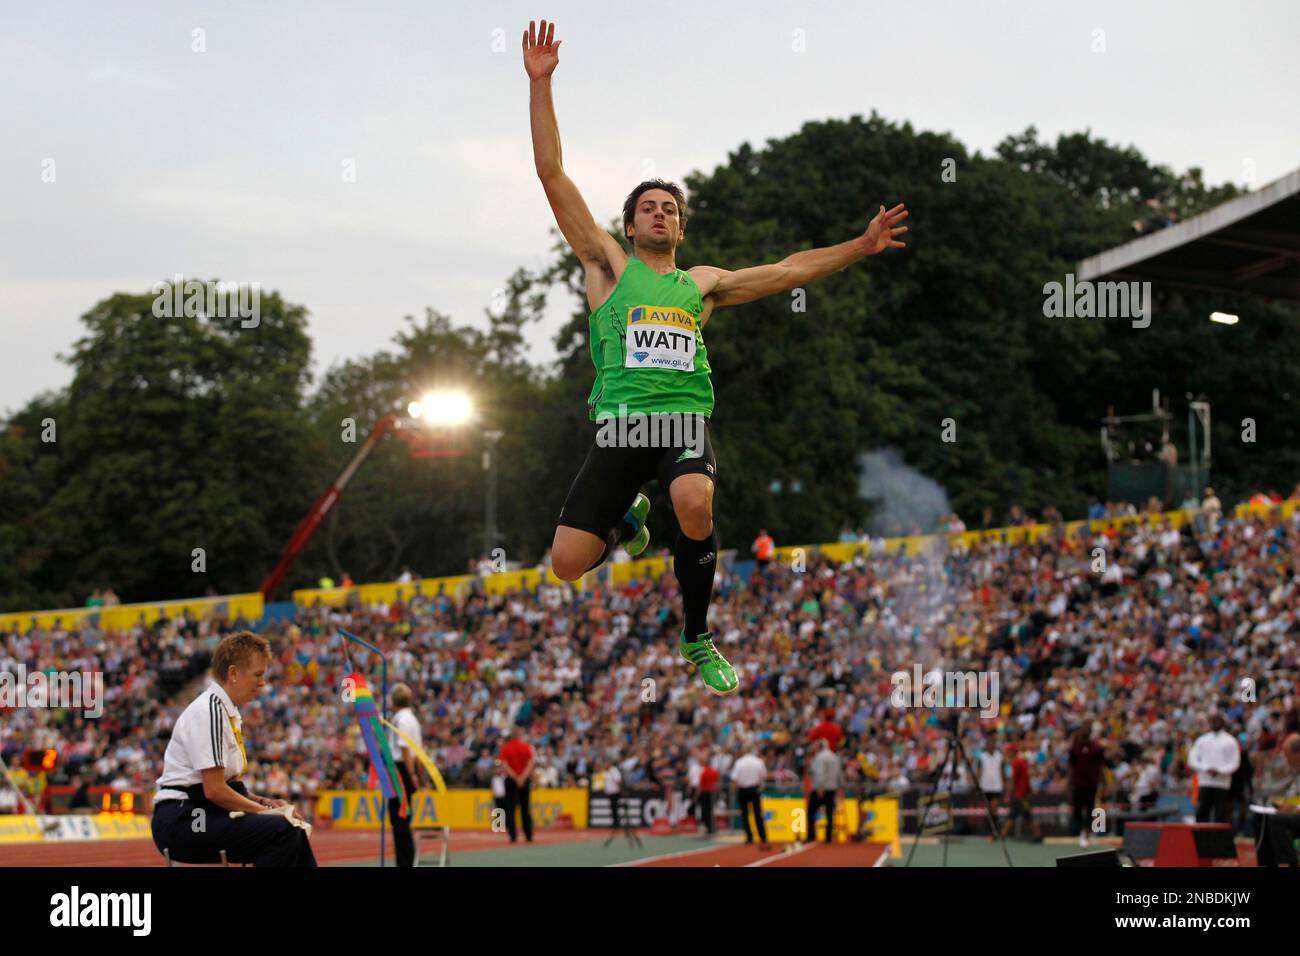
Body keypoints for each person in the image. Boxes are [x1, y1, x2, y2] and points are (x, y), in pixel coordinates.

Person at [523, 18, 907, 697]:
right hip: (620, 428)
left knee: (696, 501)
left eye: (670, 207)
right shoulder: (607, 264)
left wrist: (859, 245)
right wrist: (541, 84)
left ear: (682, 223)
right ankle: (627, 517)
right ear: (632, 222)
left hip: (680, 421)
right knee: (565, 563)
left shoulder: (702, 283)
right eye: (648, 207)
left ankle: (697, 636)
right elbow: (552, 173)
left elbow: (788, 271)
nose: (660, 214)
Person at [150, 631, 316, 866]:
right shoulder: (210, 711)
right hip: (183, 818)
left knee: (293, 830)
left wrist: (265, 803)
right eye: (258, 675)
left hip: (201, 811)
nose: (262, 683)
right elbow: (215, 790)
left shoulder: (227, 712)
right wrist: (266, 813)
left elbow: (229, 788)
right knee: (281, 829)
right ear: (233, 673)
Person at [385, 682, 425, 867]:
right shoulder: (412, 719)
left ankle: (405, 862)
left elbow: (405, 749)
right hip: (408, 768)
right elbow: (417, 750)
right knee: (403, 818)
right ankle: (405, 861)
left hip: (400, 769)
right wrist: (417, 774)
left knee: (398, 818)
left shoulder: (400, 720)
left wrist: (411, 773)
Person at [1252, 733, 1300, 866]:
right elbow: (1293, 794)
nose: (1285, 757)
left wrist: (1296, 808)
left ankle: (1290, 862)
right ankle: (1266, 863)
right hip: (1294, 811)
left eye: (1287, 754)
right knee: (1262, 817)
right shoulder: (1295, 770)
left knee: (1277, 820)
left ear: (1298, 754)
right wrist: (1284, 803)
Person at [1188, 713, 1240, 827]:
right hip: (1205, 782)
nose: (1215, 724)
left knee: (1221, 815)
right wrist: (1206, 768)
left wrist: (1220, 770)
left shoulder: (1230, 741)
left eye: (1218, 721)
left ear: (1223, 723)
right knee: (1202, 812)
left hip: (1222, 783)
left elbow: (1235, 762)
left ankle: (1219, 843)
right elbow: (1192, 759)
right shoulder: (1202, 740)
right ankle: (1200, 841)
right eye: (1213, 721)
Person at [1068, 725, 1107, 847]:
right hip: (1078, 783)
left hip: (1091, 783)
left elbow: (1101, 767)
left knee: (1090, 808)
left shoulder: (1096, 749)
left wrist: (1103, 782)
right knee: (1077, 809)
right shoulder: (1075, 748)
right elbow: (1071, 767)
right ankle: (1079, 831)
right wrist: (1069, 783)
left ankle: (1086, 832)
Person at [499, 726, 536, 843]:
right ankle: (528, 835)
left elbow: (504, 764)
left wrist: (515, 777)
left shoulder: (506, 748)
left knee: (510, 809)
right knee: (525, 808)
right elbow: (530, 764)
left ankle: (513, 836)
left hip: (511, 780)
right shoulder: (526, 747)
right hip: (524, 780)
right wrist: (522, 777)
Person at [731, 747, 770, 850]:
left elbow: (734, 779)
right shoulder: (758, 761)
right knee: (758, 814)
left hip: (743, 790)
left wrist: (735, 792)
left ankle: (749, 837)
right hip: (754, 789)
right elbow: (764, 776)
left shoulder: (739, 762)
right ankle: (763, 837)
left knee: (745, 814)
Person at [1001, 744, 1041, 842]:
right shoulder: (1021, 762)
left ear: (1012, 752)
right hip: (1021, 795)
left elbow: (1014, 781)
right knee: (1014, 815)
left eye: (1008, 751)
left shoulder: (1016, 762)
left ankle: (1037, 835)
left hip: (1020, 796)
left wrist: (1008, 795)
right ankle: (1003, 834)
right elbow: (1025, 779)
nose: (1006, 753)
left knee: (1027, 816)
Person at [805, 739, 842, 844]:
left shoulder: (820, 757)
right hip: (832, 788)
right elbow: (839, 773)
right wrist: (839, 787)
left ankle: (811, 835)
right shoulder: (835, 757)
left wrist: (820, 787)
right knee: (830, 814)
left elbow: (820, 773)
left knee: (811, 812)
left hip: (821, 789)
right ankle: (828, 837)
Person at [977, 742, 1004, 840]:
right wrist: (978, 784)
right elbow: (979, 770)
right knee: (988, 810)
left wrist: (1003, 784)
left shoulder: (999, 756)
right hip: (985, 787)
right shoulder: (982, 756)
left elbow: (1002, 770)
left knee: (994, 809)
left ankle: (995, 831)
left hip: (996, 787)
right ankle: (990, 832)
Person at [697, 756, 720, 836]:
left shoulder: (704, 772)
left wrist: (697, 795)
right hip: (713, 793)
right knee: (711, 811)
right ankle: (713, 827)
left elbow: (701, 785)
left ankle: (709, 827)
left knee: (705, 811)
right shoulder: (714, 771)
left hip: (705, 793)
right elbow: (717, 783)